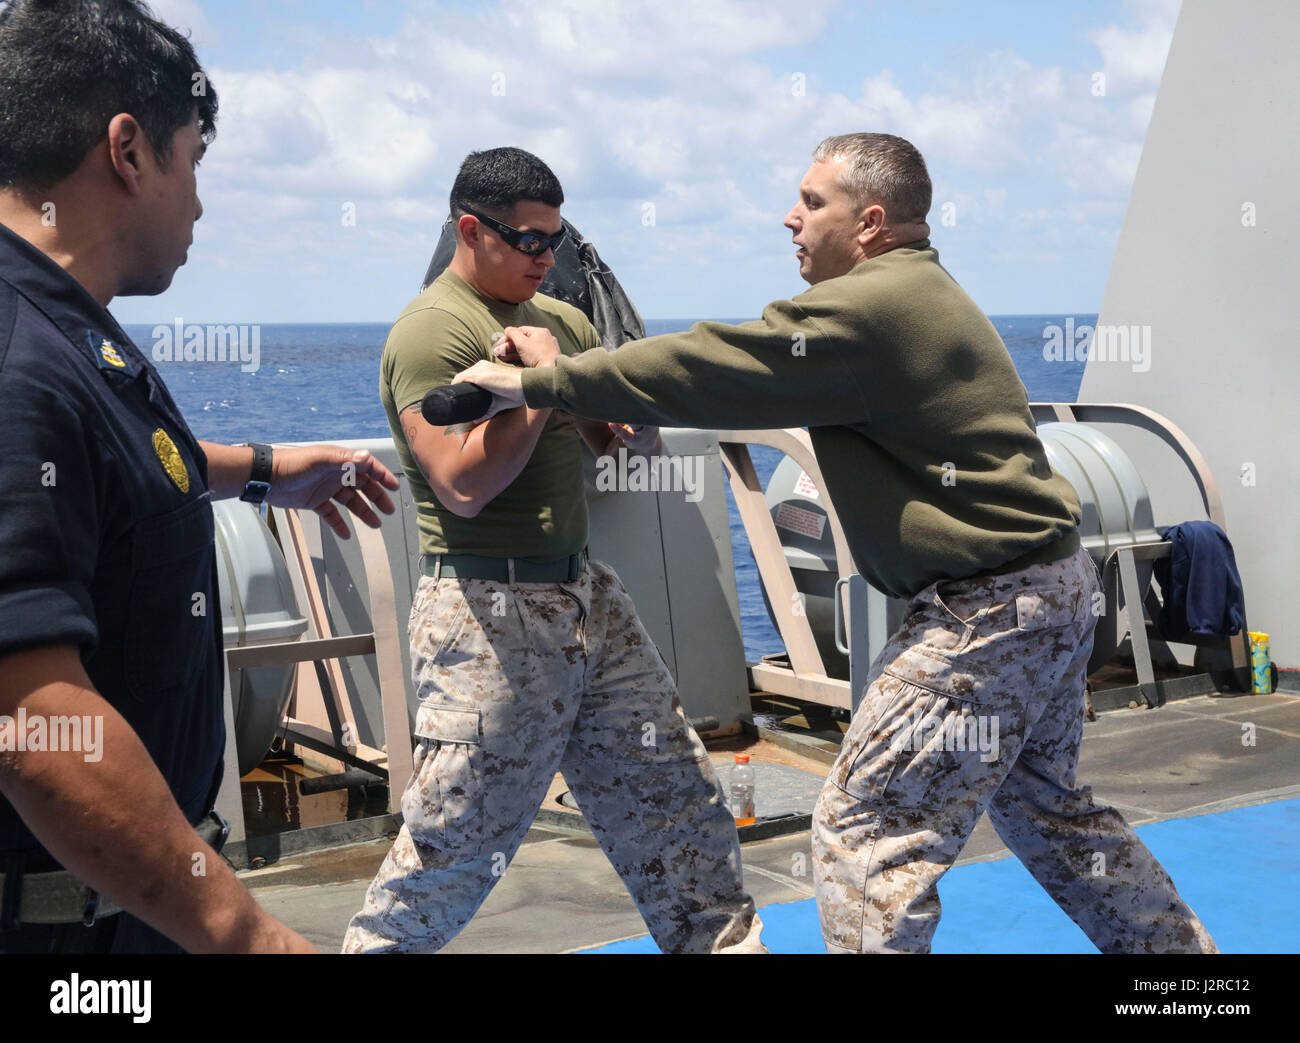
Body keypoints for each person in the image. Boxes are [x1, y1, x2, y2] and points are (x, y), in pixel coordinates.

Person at [454, 132, 1219, 954]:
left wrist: (537, 380)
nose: (791, 218)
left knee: (864, 826)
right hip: (1048, 587)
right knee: (1051, 808)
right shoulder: (913, 289)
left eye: (813, 202)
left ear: (871, 222)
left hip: (990, 610)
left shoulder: (870, 307)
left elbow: (712, 364)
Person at [0, 0, 400, 954]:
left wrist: (263, 470)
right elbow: (26, 710)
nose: (202, 205)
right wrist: (243, 933)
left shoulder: (56, 323)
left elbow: (100, 473)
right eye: (197, 163)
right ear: (130, 151)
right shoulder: (20, 357)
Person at [341, 146, 764, 953]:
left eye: (555, 242)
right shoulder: (432, 330)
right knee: (451, 849)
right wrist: (538, 390)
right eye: (527, 240)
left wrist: (624, 411)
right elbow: (464, 485)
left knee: (678, 809)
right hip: (487, 614)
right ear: (471, 229)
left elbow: (625, 452)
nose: (545, 258)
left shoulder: (564, 323)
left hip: (586, 602)